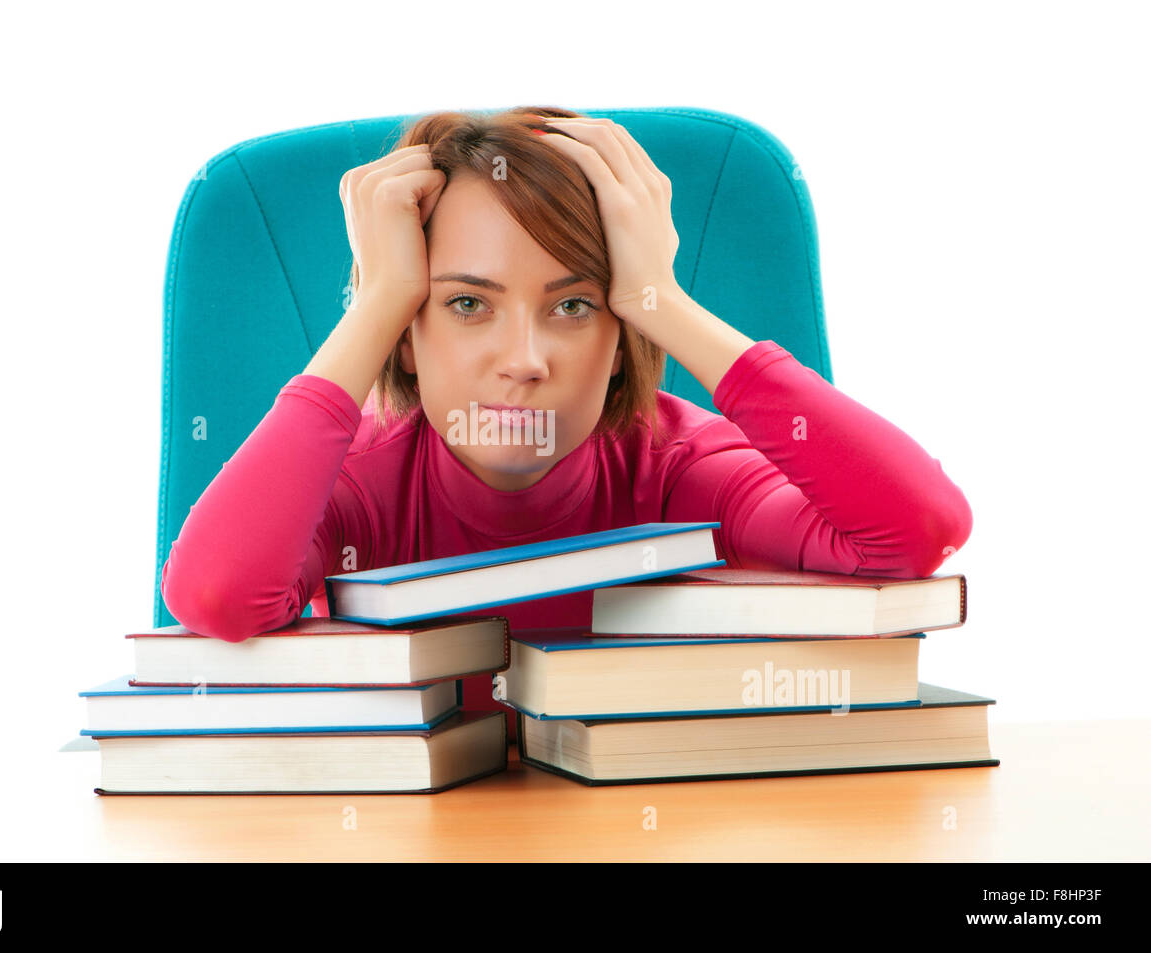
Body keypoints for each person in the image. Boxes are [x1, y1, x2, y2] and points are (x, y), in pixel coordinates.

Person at [159, 106, 973, 741]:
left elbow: (914, 528)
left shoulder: (676, 465)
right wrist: (374, 306)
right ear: (408, 335)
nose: (525, 359)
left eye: (574, 305)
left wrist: (666, 300)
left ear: (621, 339)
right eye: (466, 303)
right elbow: (217, 592)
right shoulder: (358, 484)